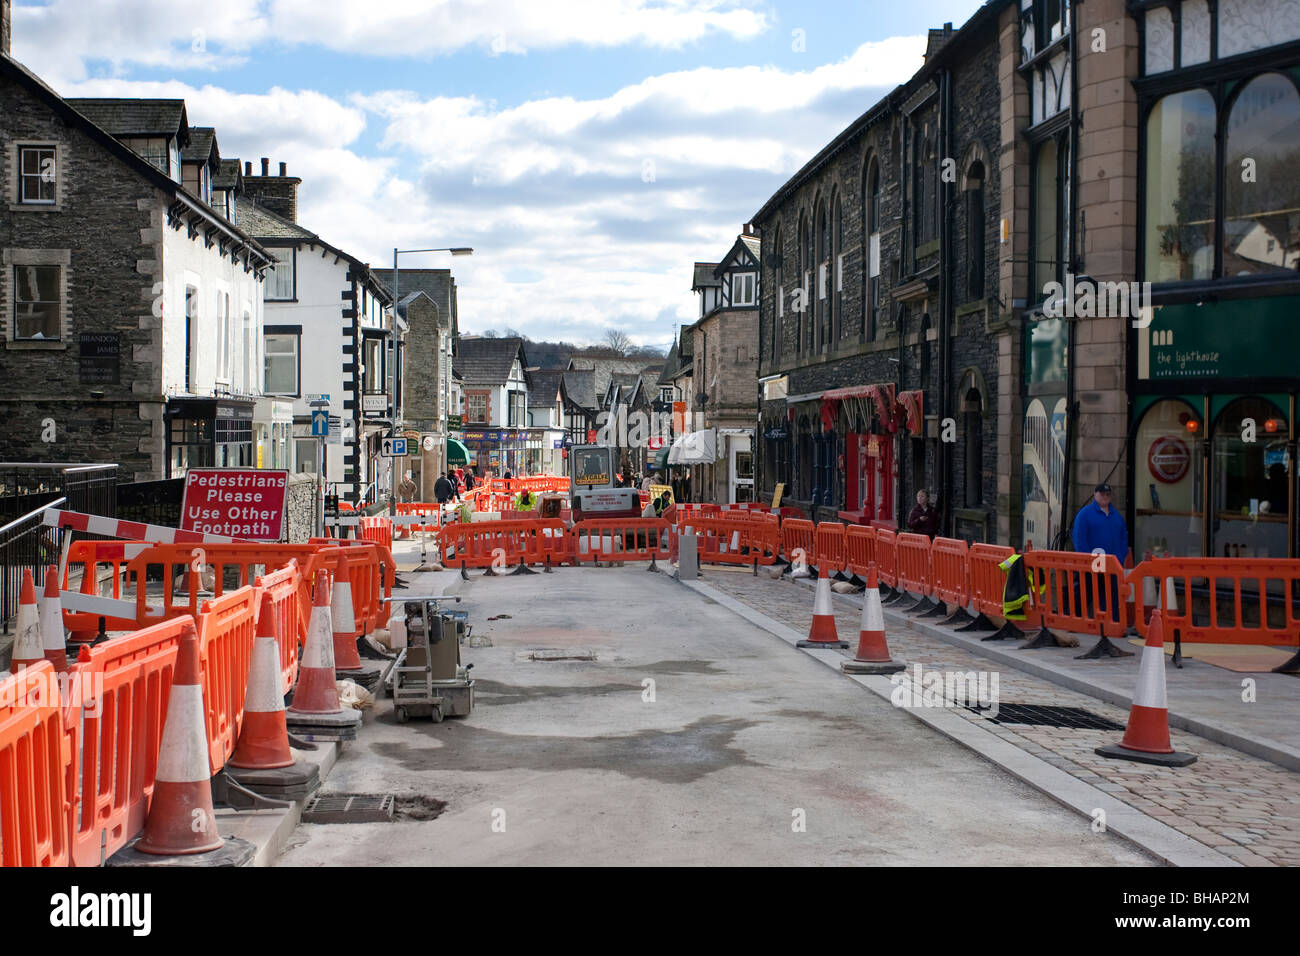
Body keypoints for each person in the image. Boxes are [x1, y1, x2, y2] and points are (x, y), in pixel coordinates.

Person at [1072, 482, 1128, 622]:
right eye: (1102, 494)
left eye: (1108, 494)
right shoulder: (1085, 514)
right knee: (1085, 593)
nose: (1105, 497)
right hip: (1092, 563)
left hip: (1112, 564)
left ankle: (1112, 623)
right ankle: (1076, 621)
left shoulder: (1116, 516)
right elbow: (1079, 538)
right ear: (1095, 494)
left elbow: (1123, 537)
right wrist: (1087, 559)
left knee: (1111, 595)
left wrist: (1121, 556)